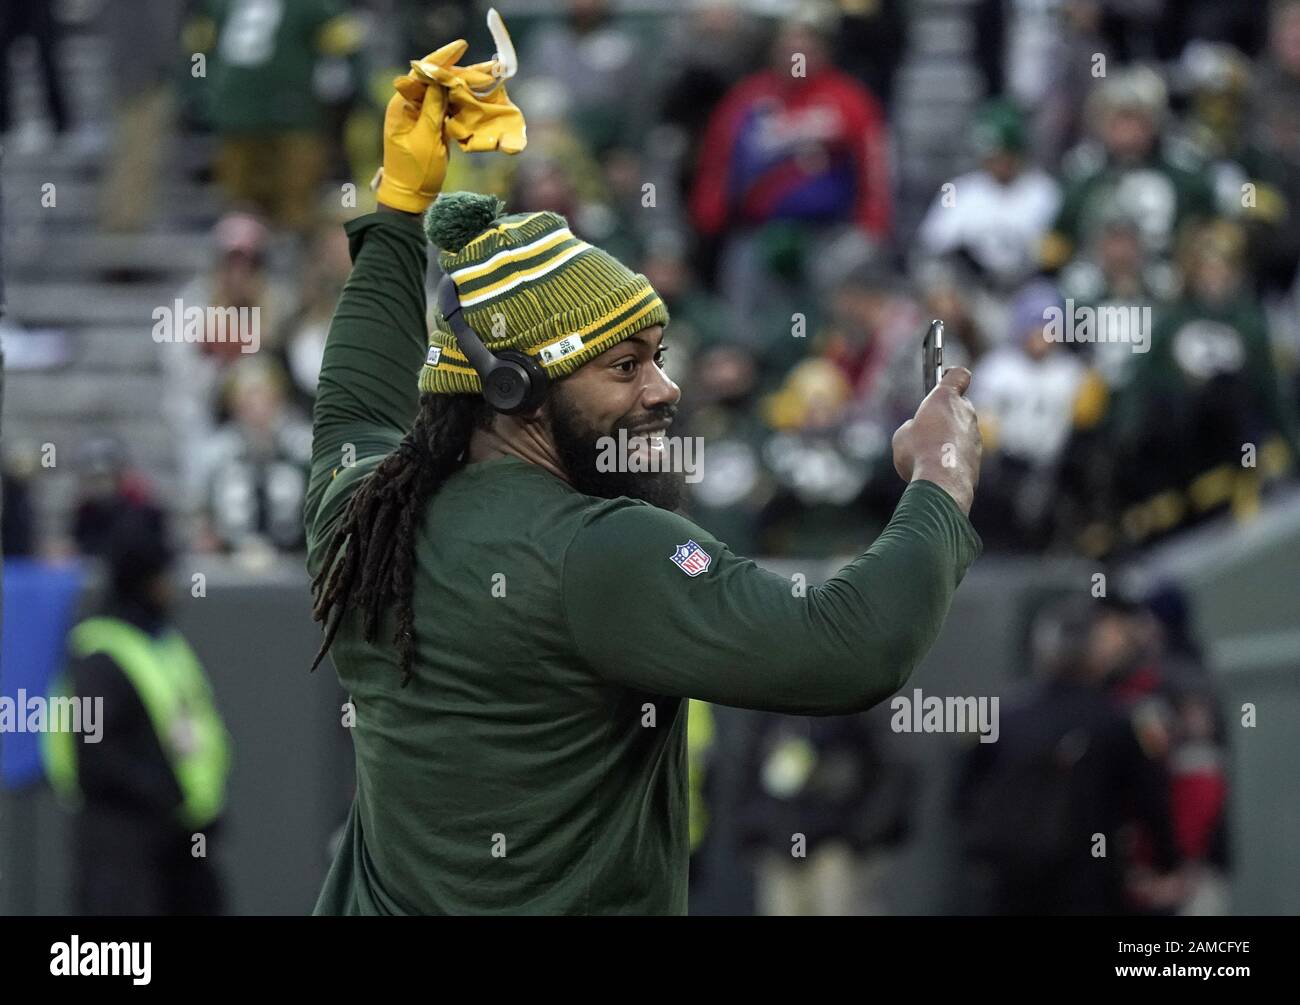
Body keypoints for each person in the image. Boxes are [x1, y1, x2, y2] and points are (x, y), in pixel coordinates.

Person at [305, 32, 982, 916]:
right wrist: (941, 478)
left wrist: (401, 202)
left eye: (658, 356)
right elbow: (849, 646)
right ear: (516, 391)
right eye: (624, 366)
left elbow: (352, 401)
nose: (665, 388)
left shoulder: (359, 513)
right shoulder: (597, 554)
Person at [42, 510, 232, 915]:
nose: (174, 588)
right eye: (165, 577)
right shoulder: (99, 656)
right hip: (124, 857)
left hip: (180, 847)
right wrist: (165, 797)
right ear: (147, 581)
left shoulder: (162, 644)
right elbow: (96, 759)